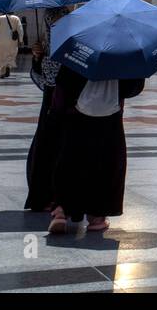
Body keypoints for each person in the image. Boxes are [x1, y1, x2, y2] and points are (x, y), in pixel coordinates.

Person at [47, 65, 145, 235]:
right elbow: (133, 88)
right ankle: (97, 217)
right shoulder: (124, 54)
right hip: (110, 117)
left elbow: (63, 81)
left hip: (77, 113)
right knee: (106, 165)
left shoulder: (81, 47)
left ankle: (62, 210)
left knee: (71, 161)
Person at [25, 41, 65, 212]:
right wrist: (38, 56)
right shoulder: (49, 42)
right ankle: (48, 197)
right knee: (47, 148)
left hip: (65, 97)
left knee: (58, 148)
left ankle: (59, 198)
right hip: (54, 98)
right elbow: (42, 76)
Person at [0, 11, 23, 79]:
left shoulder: (1, 17)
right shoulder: (16, 18)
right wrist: (21, 40)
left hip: (1, 40)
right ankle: (8, 66)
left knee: (1, 55)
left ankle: (2, 72)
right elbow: (20, 30)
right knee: (11, 54)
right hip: (12, 40)